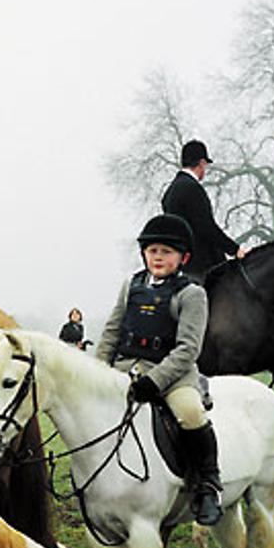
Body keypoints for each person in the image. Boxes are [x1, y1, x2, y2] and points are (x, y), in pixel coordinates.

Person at [95, 214, 223, 525]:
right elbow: (112, 332)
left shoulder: (191, 294)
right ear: (144, 254)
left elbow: (188, 349)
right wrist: (97, 371)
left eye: (166, 252)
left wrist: (155, 381)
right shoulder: (131, 286)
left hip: (173, 376)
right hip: (126, 368)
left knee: (190, 413)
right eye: (153, 251)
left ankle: (207, 483)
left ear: (183, 258)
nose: (158, 257)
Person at [161, 139, 247, 282]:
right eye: (205, 165)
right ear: (201, 163)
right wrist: (234, 249)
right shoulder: (192, 188)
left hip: (181, 262)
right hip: (203, 265)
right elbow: (206, 227)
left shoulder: (170, 191)